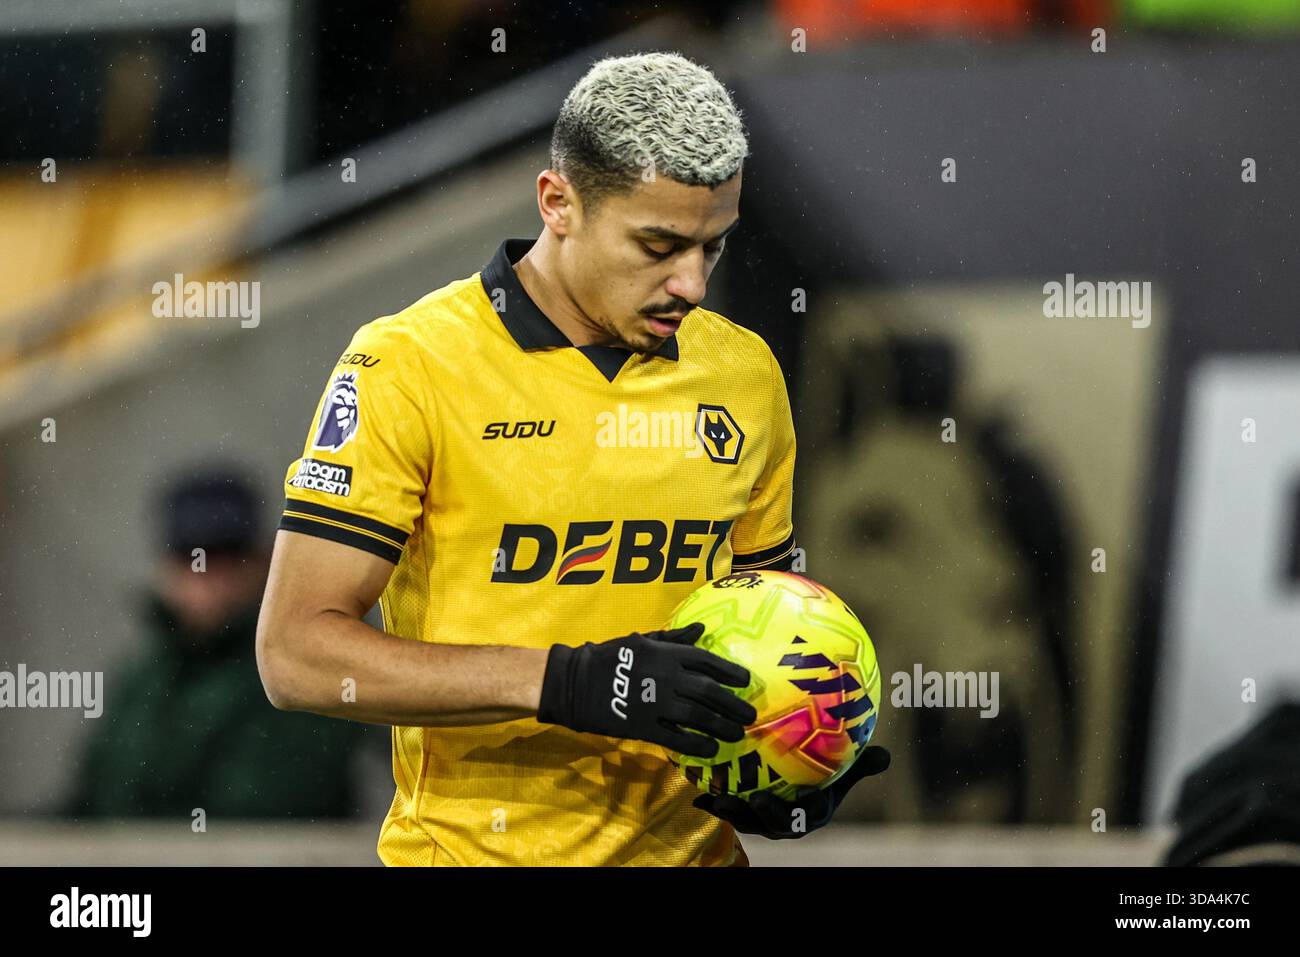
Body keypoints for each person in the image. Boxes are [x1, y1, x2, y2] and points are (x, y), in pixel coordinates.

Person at [257, 52, 888, 866]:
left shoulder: (744, 373)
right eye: (658, 244)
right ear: (559, 202)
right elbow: (296, 654)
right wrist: (567, 681)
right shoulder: (408, 366)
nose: (691, 283)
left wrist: (788, 763)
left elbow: (767, 619)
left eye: (713, 248)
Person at [66, 467, 364, 819]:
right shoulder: (142, 676)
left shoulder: (301, 665)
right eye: (188, 557)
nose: (205, 576)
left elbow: (269, 810)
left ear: (261, 562)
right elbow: (87, 802)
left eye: (224, 557)